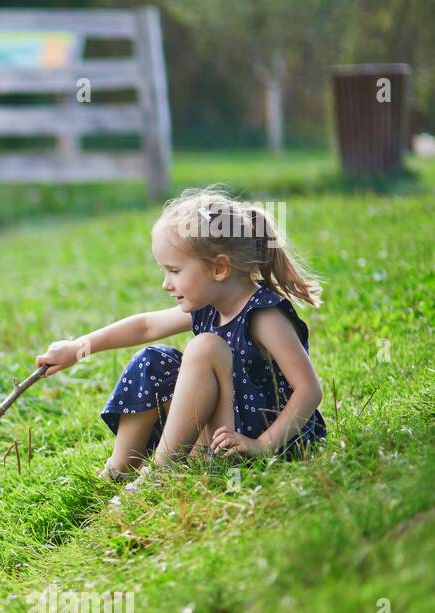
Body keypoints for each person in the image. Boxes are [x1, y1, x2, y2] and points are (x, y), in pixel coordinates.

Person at [35, 188, 326, 484]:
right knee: (153, 360)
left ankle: (159, 474)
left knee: (205, 347)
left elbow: (309, 390)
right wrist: (78, 348)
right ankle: (119, 469)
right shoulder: (208, 306)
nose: (166, 284)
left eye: (174, 270)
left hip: (263, 438)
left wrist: (262, 444)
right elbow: (145, 326)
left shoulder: (264, 316)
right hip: (220, 430)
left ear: (220, 268)